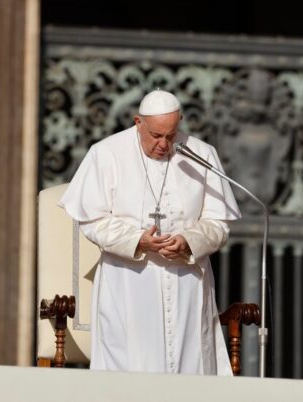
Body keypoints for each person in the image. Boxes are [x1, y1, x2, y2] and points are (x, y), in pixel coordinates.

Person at [59, 89, 241, 374]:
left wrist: (189, 241)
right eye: (156, 136)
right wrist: (137, 240)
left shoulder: (201, 154)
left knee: (189, 369)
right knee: (130, 368)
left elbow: (219, 223)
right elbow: (92, 221)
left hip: (186, 282)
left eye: (171, 135)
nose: (164, 145)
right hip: (129, 282)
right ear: (137, 122)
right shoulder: (106, 153)